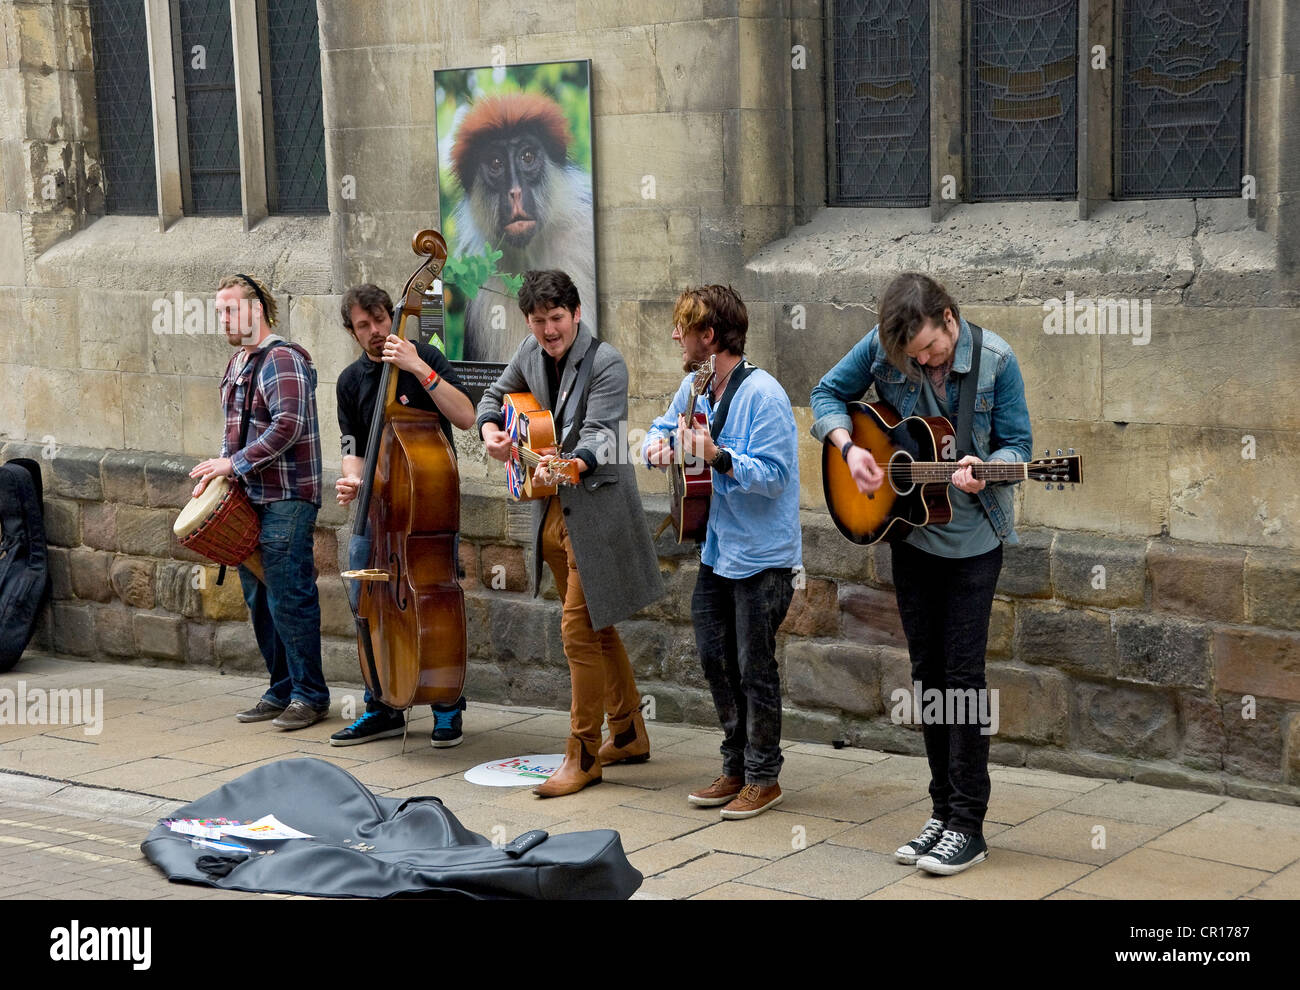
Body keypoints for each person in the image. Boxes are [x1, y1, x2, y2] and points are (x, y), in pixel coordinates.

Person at [810, 272, 1032, 874]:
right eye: (911, 357)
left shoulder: (996, 361)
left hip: (973, 544)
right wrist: (849, 447)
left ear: (950, 319)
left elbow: (1020, 445)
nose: (924, 362)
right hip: (909, 536)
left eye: (931, 349)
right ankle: (941, 810)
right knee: (928, 675)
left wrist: (987, 466)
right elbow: (825, 394)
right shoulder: (886, 347)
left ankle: (969, 823)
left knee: (963, 679)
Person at [477, 269, 664, 797]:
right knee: (598, 626)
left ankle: (582, 754)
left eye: (556, 319)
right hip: (552, 514)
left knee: (576, 632)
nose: (548, 331)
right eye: (538, 322)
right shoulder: (529, 352)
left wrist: (572, 463)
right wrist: (492, 430)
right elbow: (494, 395)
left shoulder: (605, 361)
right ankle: (627, 731)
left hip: (597, 513)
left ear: (576, 314)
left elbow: (602, 436)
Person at [642, 285, 801, 820]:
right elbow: (655, 435)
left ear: (709, 336)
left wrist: (720, 456)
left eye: (682, 328)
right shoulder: (694, 388)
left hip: (763, 557)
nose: (673, 337)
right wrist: (658, 447)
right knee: (714, 658)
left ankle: (764, 776)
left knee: (754, 666)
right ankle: (734, 766)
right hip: (716, 548)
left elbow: (776, 477)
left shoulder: (765, 396)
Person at [331, 284, 477, 748]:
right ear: (352, 332)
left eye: (379, 320)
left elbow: (467, 416)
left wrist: (415, 365)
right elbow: (353, 449)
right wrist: (351, 480)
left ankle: (446, 705)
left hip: (427, 515)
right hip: (377, 520)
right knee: (365, 603)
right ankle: (381, 704)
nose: (376, 332)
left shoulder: (426, 359)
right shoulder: (349, 382)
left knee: (434, 602)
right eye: (363, 326)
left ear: (392, 317)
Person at [190, 274, 329, 731]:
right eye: (220, 312)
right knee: (259, 596)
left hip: (289, 497)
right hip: (252, 497)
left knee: (290, 595)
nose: (224, 320)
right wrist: (217, 475)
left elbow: (288, 425)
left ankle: (310, 695)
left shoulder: (281, 359)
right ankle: (282, 689)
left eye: (231, 310)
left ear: (257, 309)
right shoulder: (237, 363)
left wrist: (234, 466)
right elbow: (233, 434)